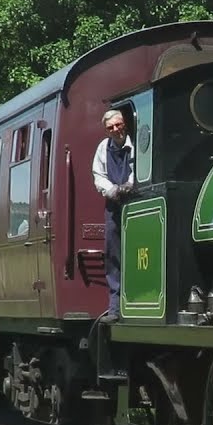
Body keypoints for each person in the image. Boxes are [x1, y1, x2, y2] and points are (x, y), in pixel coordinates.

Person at [92, 109, 135, 323]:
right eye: (110, 128)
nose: (116, 129)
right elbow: (98, 175)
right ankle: (115, 308)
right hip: (113, 204)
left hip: (136, 200)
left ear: (125, 123)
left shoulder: (134, 143)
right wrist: (113, 190)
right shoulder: (103, 147)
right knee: (112, 254)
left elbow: (139, 167)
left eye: (118, 125)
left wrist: (130, 185)